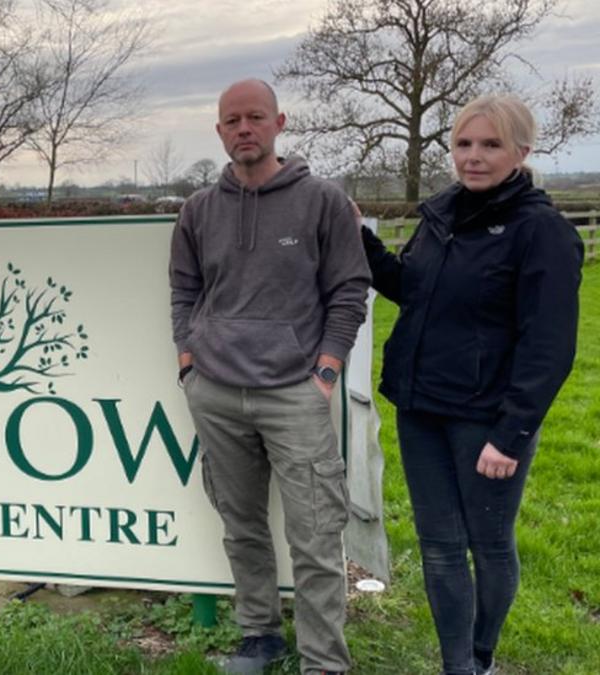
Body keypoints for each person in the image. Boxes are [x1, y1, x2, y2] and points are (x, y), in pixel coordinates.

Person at [360, 95, 582, 675]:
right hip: (422, 407)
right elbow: (414, 290)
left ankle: (481, 653)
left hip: (488, 417)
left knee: (487, 545)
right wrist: (362, 245)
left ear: (521, 153)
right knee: (437, 547)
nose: (474, 157)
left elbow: (550, 346)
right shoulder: (441, 219)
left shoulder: (542, 232)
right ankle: (456, 665)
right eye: (463, 144)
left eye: (490, 145)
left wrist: (512, 435)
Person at [170, 78, 369, 675]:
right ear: (219, 131)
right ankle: (259, 634)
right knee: (242, 525)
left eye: (255, 117)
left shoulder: (321, 202)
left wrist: (327, 369)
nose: (244, 129)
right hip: (217, 392)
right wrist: (188, 358)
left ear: (279, 122)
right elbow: (184, 289)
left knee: (314, 536)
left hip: (295, 395)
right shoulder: (199, 210)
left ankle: (323, 660)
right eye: (232, 121)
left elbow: (349, 290)